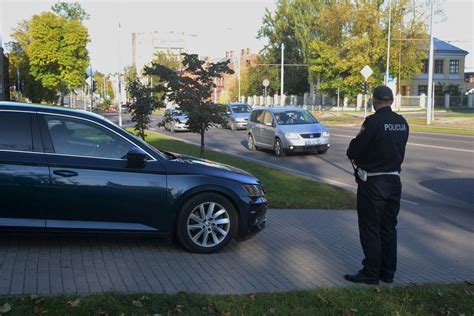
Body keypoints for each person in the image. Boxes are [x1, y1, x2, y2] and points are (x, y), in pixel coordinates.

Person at [345, 86, 409, 285]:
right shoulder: (402, 122)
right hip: (394, 181)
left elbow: (356, 149)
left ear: (375, 101)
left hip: (373, 182)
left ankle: (370, 273)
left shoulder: (373, 122)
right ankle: (388, 272)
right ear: (391, 100)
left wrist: (354, 150)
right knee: (389, 228)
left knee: (370, 228)